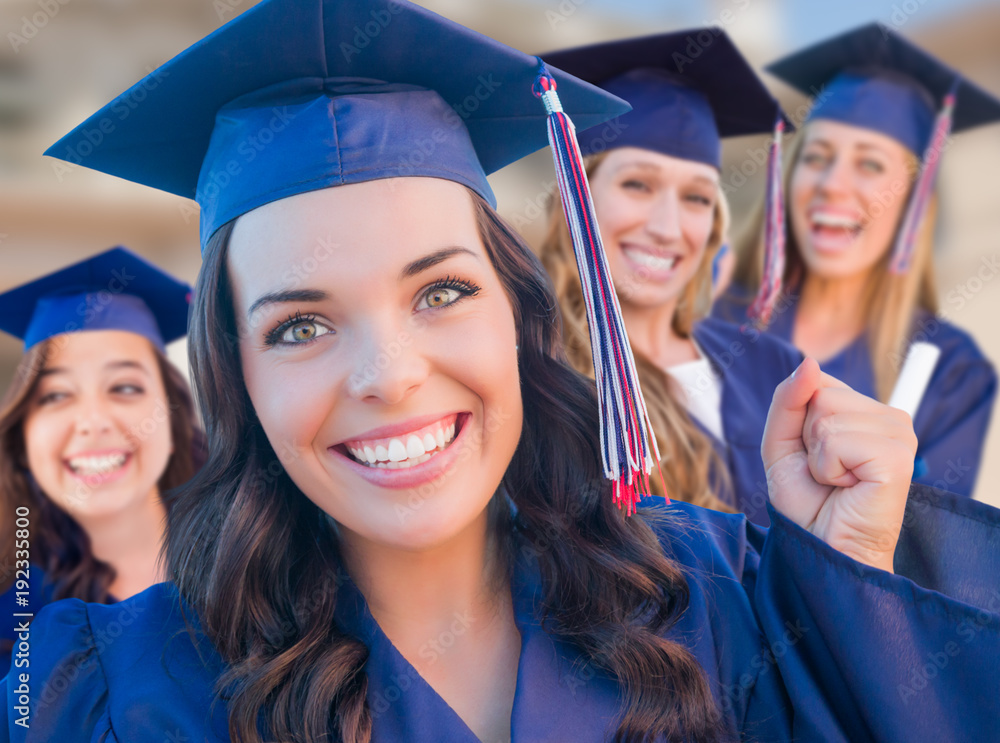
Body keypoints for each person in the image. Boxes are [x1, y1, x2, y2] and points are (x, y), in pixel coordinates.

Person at [8, 2, 1000, 742]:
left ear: (520, 317)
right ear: (236, 380)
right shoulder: (113, 688)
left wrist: (847, 591)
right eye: (300, 326)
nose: (390, 375)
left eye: (440, 291)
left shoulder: (721, 596)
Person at [714, 23, 1000, 497]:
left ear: (914, 204)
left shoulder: (952, 373)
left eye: (869, 164)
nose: (831, 184)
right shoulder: (713, 321)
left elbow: (920, 557)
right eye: (817, 156)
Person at [538, 31, 801, 523]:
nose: (667, 228)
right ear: (576, 195)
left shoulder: (775, 366)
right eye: (638, 184)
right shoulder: (535, 377)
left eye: (697, 197)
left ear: (715, 223)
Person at [0, 247, 203, 677]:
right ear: (24, 434)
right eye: (56, 395)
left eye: (125, 388)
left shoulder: (265, 565)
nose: (92, 422)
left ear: (173, 417)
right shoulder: (12, 608)